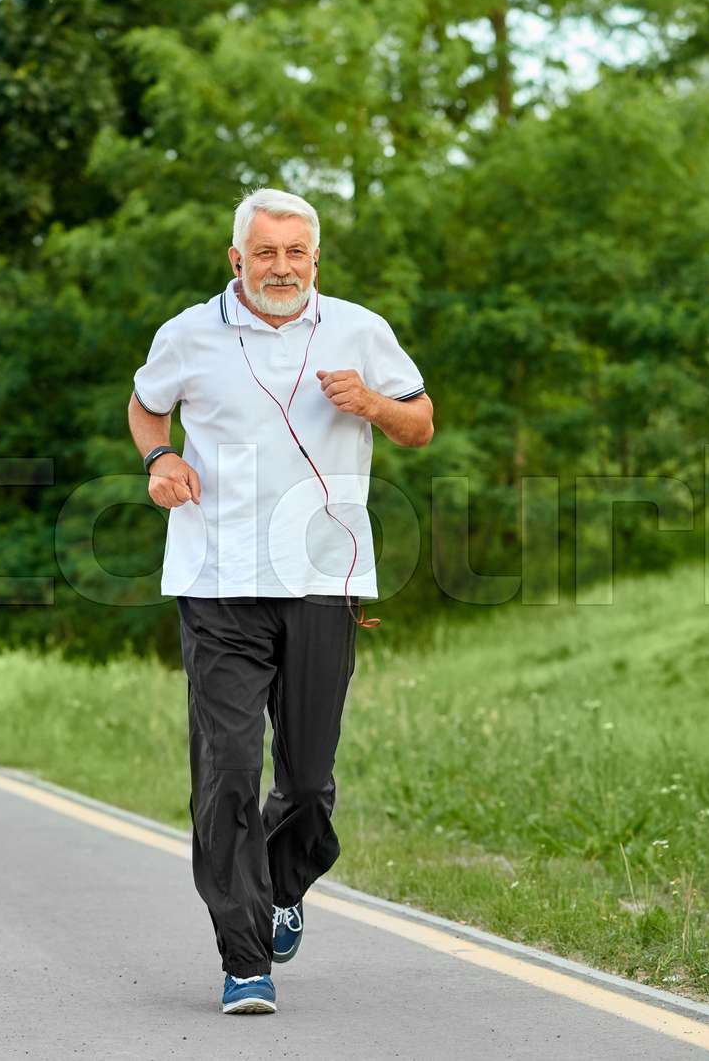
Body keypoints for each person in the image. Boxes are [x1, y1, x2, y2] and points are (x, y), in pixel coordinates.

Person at [126, 188, 434, 1014]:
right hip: (217, 578)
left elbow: (420, 423)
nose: (281, 267)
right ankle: (244, 955)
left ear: (316, 261)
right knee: (226, 769)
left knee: (307, 778)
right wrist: (159, 461)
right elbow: (147, 407)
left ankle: (285, 880)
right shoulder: (187, 333)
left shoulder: (359, 330)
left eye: (296, 253)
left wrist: (370, 403)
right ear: (237, 259)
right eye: (265, 252)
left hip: (323, 577)